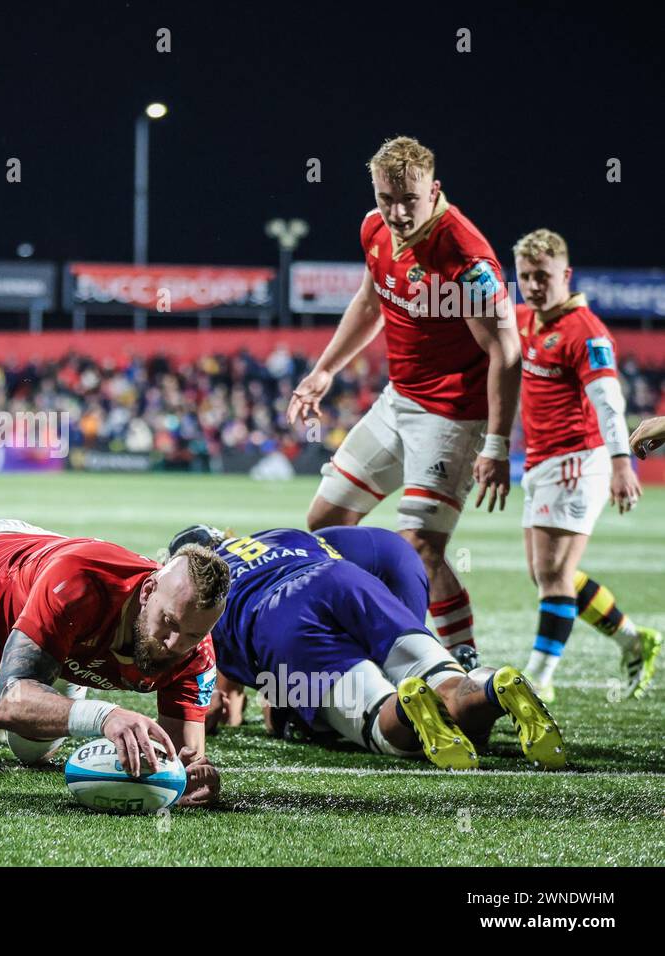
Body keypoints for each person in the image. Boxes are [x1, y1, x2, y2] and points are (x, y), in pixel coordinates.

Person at [288, 136, 521, 671]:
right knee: (325, 524)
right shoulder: (374, 227)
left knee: (420, 544)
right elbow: (370, 301)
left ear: (434, 190)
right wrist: (324, 369)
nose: (396, 212)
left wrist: (497, 443)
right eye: (386, 198)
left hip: (453, 417)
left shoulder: (466, 256)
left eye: (408, 200)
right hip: (398, 402)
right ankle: (365, 636)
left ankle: (461, 664)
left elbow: (507, 350)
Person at [166, 525, 566, 770]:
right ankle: (496, 687)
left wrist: (263, 702)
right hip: (341, 578)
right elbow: (386, 548)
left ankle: (403, 708)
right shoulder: (279, 536)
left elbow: (217, 707)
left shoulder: (200, 597)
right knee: (448, 684)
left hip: (279, 620)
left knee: (384, 727)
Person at [0, 519, 227, 806]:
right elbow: (6, 704)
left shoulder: (195, 652)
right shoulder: (81, 586)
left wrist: (188, 781)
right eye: (168, 621)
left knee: (32, 753)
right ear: (147, 591)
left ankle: (14, 665)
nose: (174, 644)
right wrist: (105, 716)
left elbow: (182, 755)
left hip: (64, 639)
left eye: (193, 635)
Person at [512, 228, 659, 700]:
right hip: (539, 463)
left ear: (566, 275)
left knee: (552, 576)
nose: (534, 285)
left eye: (543, 276)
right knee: (545, 573)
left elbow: (609, 402)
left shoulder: (585, 331)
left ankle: (539, 681)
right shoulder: (527, 320)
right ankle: (634, 640)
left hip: (578, 461)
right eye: (526, 277)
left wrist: (621, 465)